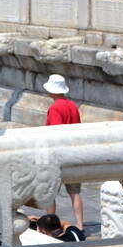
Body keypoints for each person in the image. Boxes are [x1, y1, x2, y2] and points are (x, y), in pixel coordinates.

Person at [42, 74, 84, 232]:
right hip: (73, 153)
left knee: (50, 192)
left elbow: (55, 132)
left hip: (58, 156)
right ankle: (80, 224)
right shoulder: (73, 106)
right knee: (75, 192)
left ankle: (50, 226)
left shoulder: (54, 108)